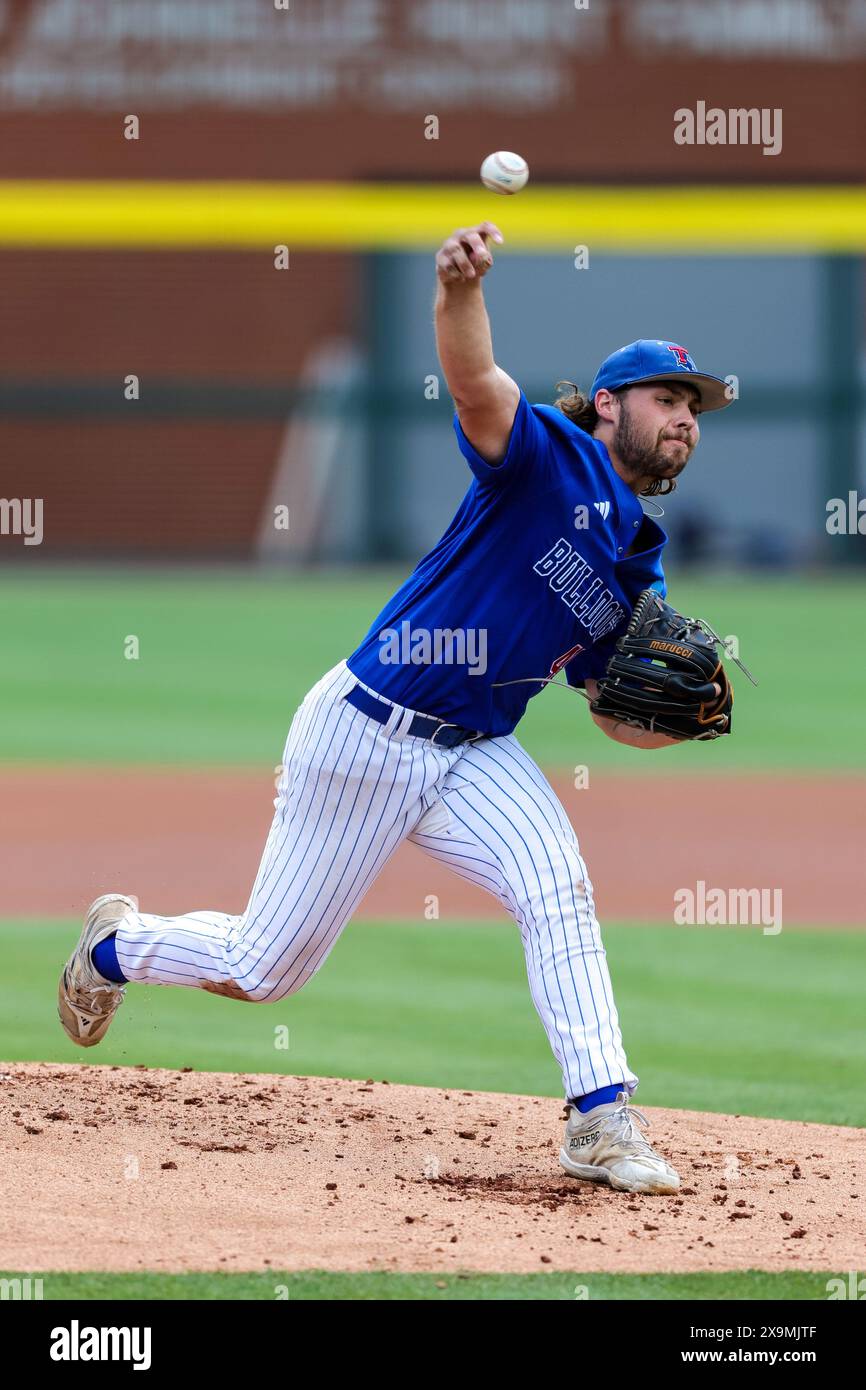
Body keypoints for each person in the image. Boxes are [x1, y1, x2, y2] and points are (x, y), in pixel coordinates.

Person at [58, 222, 733, 1195]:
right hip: (365, 727)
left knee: (557, 884)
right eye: (667, 398)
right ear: (607, 404)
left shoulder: (640, 568)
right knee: (264, 969)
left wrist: (684, 722)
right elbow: (474, 382)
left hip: (474, 751)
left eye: (694, 408)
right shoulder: (546, 456)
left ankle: (599, 1118)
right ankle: (114, 947)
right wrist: (458, 290)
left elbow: (608, 714)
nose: (685, 419)